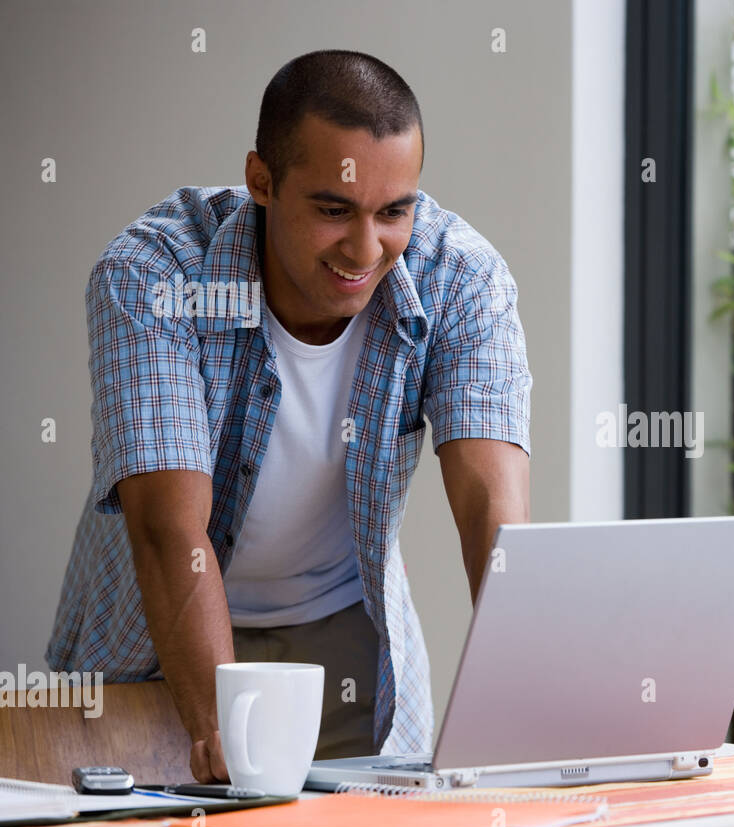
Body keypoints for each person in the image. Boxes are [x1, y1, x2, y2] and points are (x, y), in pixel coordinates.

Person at [45, 50, 532, 783]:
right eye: (333, 210)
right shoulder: (156, 274)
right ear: (261, 183)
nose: (366, 250)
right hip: (152, 634)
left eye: (394, 211)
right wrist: (220, 729)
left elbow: (491, 509)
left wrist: (534, 708)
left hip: (340, 634)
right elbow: (168, 530)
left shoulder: (460, 276)